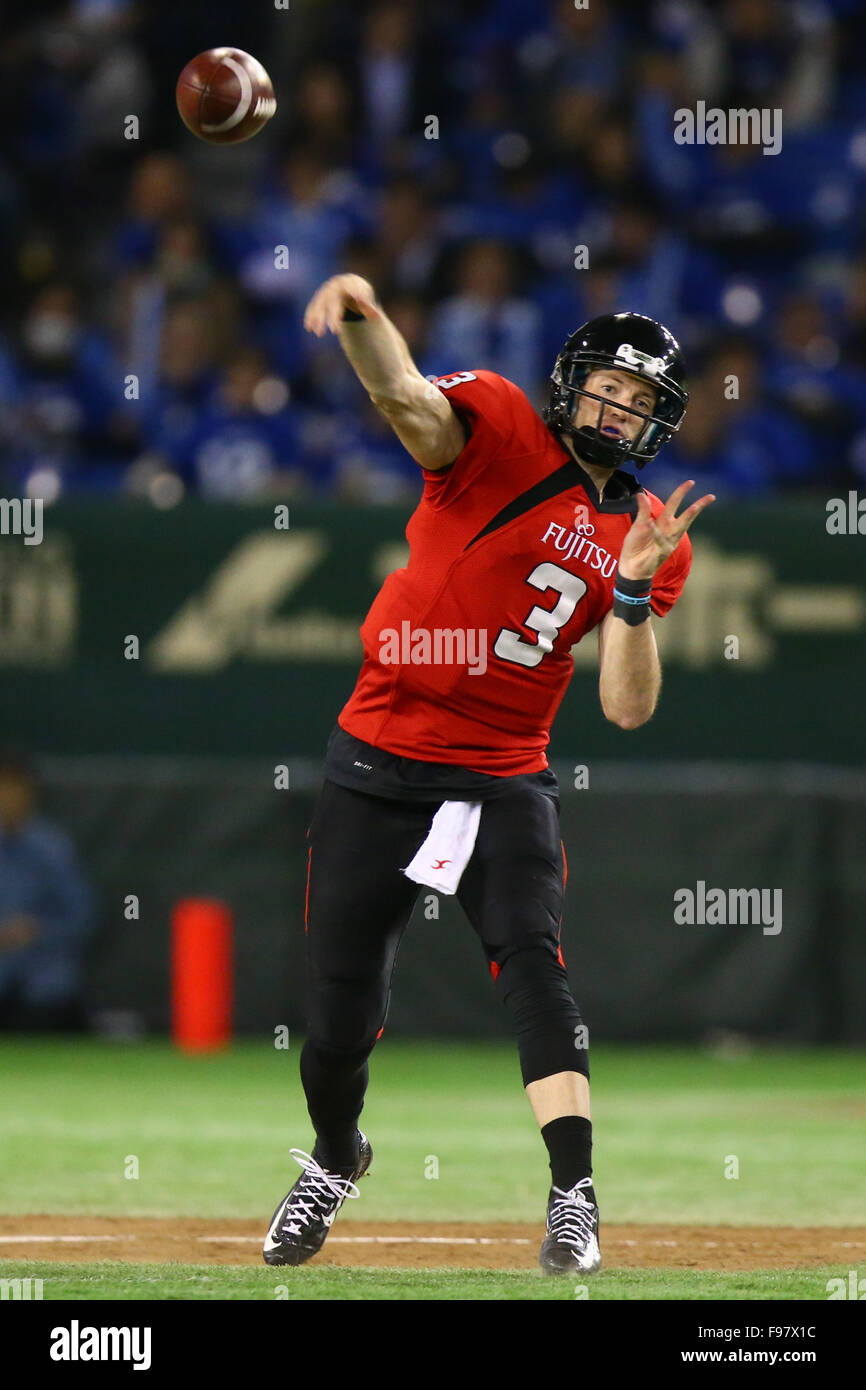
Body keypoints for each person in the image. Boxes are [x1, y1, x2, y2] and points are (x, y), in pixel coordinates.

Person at [263, 274, 714, 1275]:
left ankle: (572, 1195)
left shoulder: (643, 531)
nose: (620, 411)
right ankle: (337, 1156)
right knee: (337, 1015)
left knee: (534, 969)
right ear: (569, 383)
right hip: (378, 758)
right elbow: (408, 402)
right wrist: (361, 313)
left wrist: (633, 594)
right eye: (610, 386)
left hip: (501, 775)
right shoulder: (502, 429)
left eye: (643, 402)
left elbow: (627, 707)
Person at [0, 752, 94, 1032]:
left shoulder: (53, 848)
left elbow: (83, 916)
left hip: (42, 981)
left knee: (50, 999)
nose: (7, 797)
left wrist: (36, 930)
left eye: (14, 788)